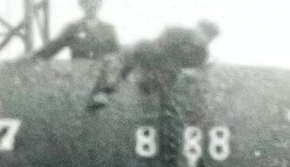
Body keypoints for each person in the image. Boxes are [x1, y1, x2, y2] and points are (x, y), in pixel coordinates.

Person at [88, 19, 220, 107]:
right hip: (150, 58)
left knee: (165, 85)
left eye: (210, 38)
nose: (205, 40)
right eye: (204, 34)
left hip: (164, 75)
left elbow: (192, 70)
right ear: (197, 28)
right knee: (127, 54)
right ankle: (104, 92)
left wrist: (190, 72)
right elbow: (158, 47)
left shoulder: (202, 53)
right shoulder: (176, 32)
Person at [35, 0, 120, 62]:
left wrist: (111, 58)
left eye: (96, 2)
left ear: (100, 5)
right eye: (89, 3)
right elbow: (53, 47)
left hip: (103, 73)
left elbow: (117, 53)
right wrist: (34, 57)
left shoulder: (109, 29)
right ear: (82, 5)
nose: (92, 6)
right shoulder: (73, 28)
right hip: (79, 72)